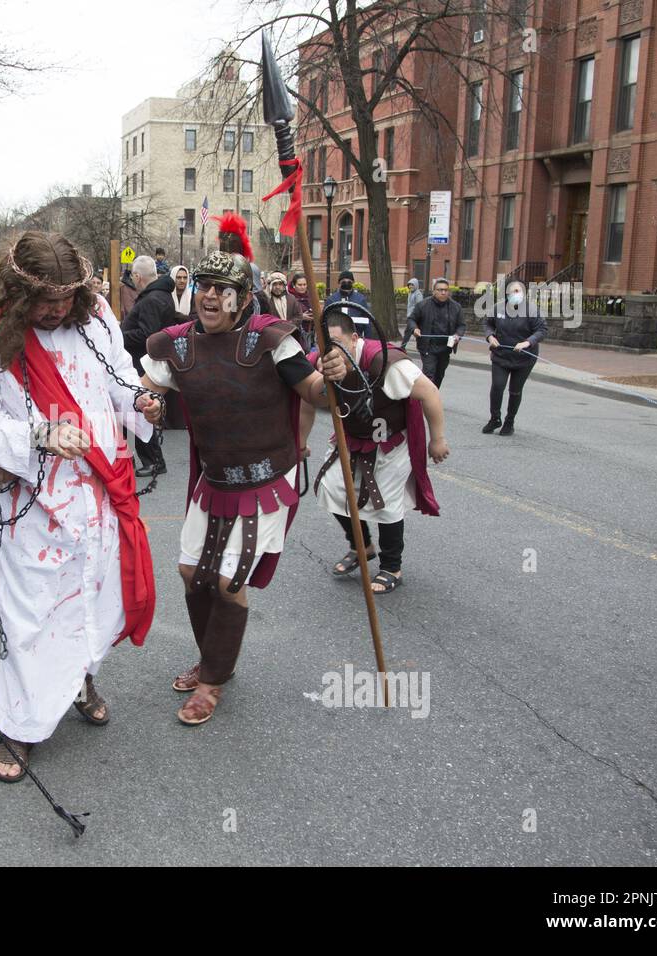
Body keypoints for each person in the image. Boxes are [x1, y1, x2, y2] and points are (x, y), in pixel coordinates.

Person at [0, 231, 157, 783]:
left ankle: (80, 680)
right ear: (17, 295)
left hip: (101, 493)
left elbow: (120, 378)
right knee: (33, 615)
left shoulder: (96, 323)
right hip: (35, 503)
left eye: (65, 298)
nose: (57, 310)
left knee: (93, 596)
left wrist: (141, 401)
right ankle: (20, 728)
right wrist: (41, 434)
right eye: (45, 302)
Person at [137, 248, 345, 724]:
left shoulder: (272, 340)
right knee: (192, 573)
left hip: (265, 478)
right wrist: (147, 403)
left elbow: (313, 391)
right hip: (213, 480)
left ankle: (212, 681)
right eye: (203, 286)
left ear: (243, 297)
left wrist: (335, 375)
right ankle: (213, 657)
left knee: (230, 582)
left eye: (221, 289)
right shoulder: (179, 344)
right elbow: (145, 387)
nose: (210, 295)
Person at [301, 310, 447, 594]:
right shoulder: (318, 365)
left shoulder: (386, 362)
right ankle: (362, 546)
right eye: (323, 344)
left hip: (391, 443)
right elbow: (307, 400)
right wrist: (300, 441)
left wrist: (437, 439)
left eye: (337, 342)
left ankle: (392, 566)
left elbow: (429, 392)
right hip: (352, 438)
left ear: (354, 338)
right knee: (331, 489)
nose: (330, 351)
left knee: (385, 504)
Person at [120, 254, 177, 477]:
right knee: (131, 412)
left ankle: (153, 460)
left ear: (137, 276)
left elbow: (148, 334)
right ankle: (133, 459)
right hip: (145, 362)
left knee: (137, 411)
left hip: (142, 363)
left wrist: (119, 336)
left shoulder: (152, 299)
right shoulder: (160, 296)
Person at [483, 279, 546, 436]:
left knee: (515, 391)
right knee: (497, 386)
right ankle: (494, 418)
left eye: (518, 291)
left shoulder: (531, 310)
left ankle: (509, 422)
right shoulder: (498, 308)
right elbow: (487, 324)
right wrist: (490, 336)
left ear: (523, 293)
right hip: (501, 355)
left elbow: (542, 330)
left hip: (524, 359)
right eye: (512, 291)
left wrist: (527, 343)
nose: (515, 294)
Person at [408, 277, 465, 388]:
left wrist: (458, 335)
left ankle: (432, 396)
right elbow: (411, 319)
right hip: (428, 347)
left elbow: (461, 325)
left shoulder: (456, 307)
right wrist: (415, 329)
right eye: (440, 290)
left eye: (446, 290)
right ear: (434, 291)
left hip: (446, 348)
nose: (443, 292)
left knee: (439, 375)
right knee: (429, 374)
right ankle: (425, 400)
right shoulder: (423, 305)